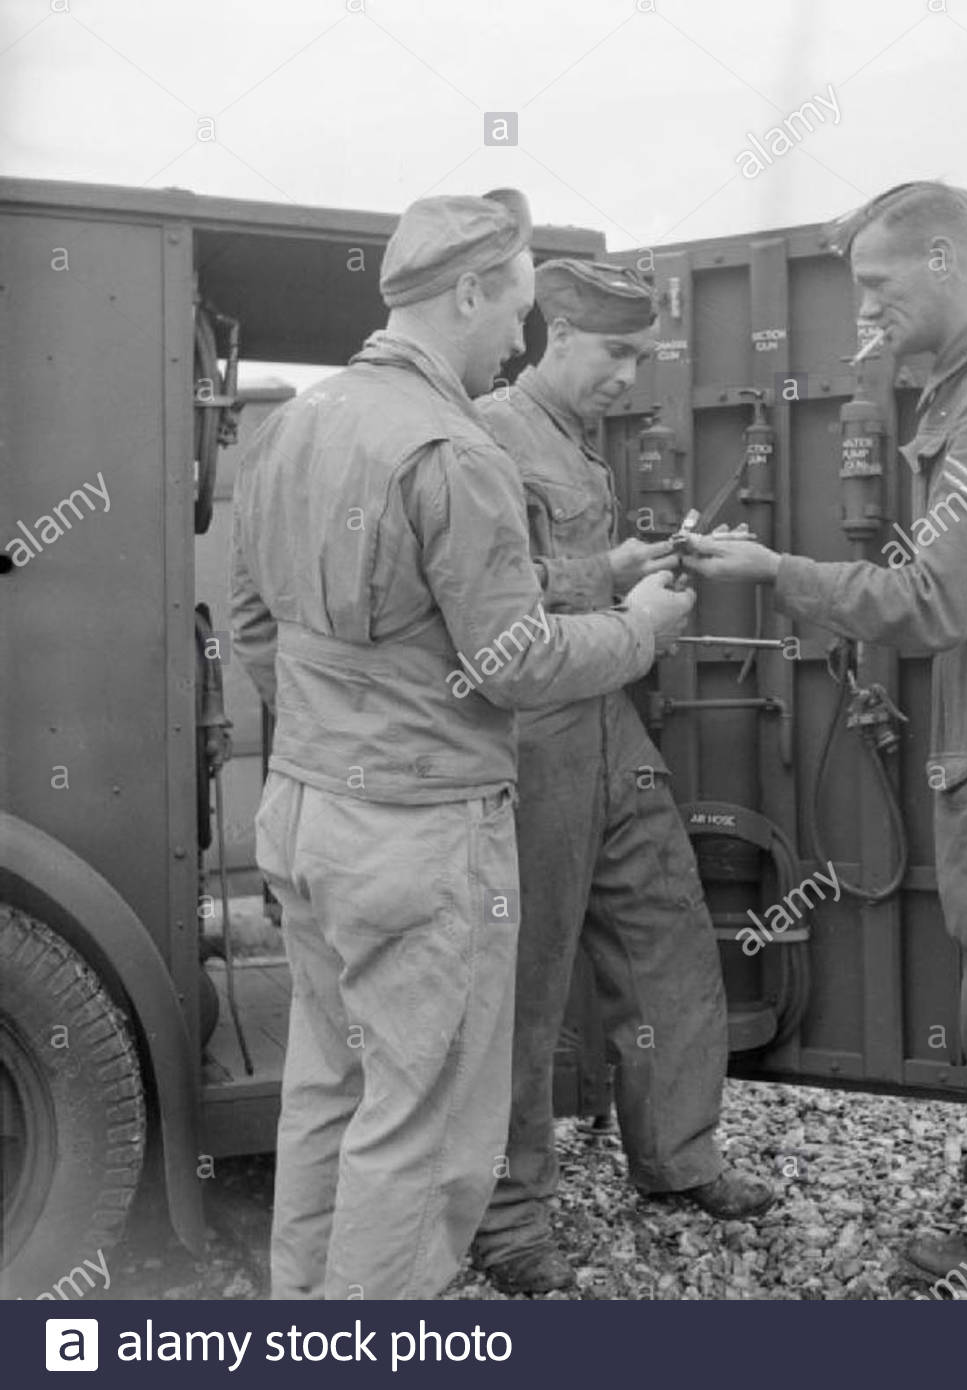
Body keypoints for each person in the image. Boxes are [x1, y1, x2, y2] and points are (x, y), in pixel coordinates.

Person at [230, 191, 694, 1301]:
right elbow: (516, 664)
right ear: (469, 291)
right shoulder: (457, 447)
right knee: (423, 1121)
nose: (518, 342)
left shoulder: (293, 425)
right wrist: (636, 632)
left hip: (304, 817)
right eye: (518, 313)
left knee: (326, 1094)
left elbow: (254, 629)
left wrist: (340, 738)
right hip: (423, 834)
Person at [684, 182, 967, 1288]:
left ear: (943, 261)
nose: (866, 310)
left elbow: (933, 599)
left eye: (881, 287)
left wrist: (772, 574)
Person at [470, 258, 775, 1295]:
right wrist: (608, 587)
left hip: (605, 720)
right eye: (614, 352)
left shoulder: (575, 447)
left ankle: (678, 1158)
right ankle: (507, 1222)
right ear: (555, 333)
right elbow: (484, 600)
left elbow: (571, 580)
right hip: (533, 733)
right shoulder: (483, 436)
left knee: (666, 929)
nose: (629, 375)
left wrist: (630, 566)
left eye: (641, 354)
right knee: (526, 976)